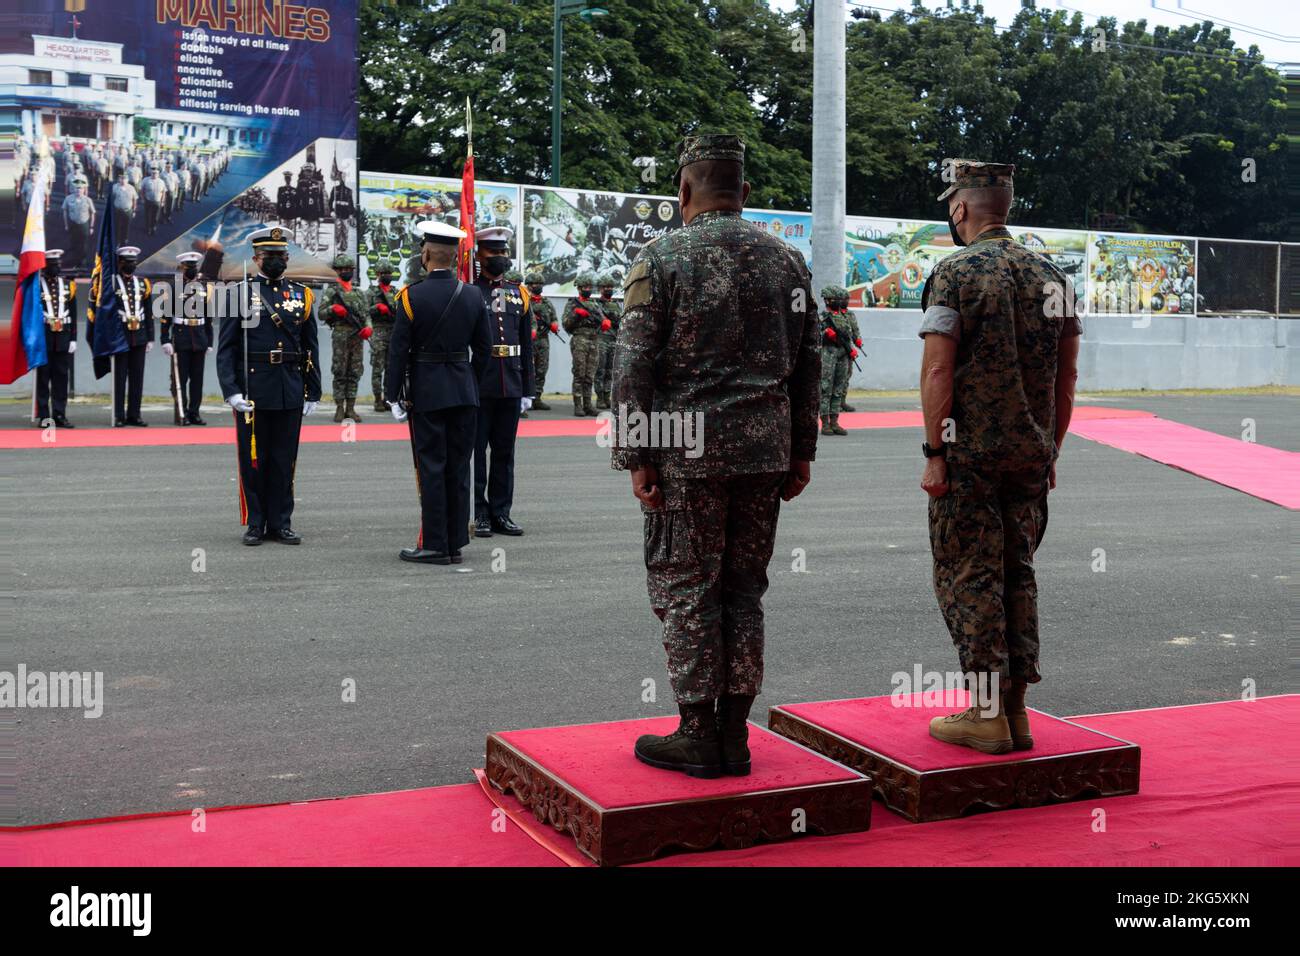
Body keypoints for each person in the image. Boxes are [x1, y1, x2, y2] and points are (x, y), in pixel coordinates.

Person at [612, 134, 821, 778]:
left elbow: (633, 365)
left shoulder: (661, 258)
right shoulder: (788, 261)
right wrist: (802, 451)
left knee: (687, 587)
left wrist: (637, 454)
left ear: (684, 191)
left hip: (686, 453)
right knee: (743, 589)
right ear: (745, 193)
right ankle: (736, 734)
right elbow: (810, 363)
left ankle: (699, 732)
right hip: (763, 453)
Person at [919, 159, 1081, 753]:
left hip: (970, 457)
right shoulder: (1054, 276)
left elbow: (938, 366)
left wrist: (935, 450)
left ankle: (985, 714)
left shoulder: (954, 273)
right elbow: (1067, 378)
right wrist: (1051, 448)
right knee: (1018, 571)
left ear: (960, 208)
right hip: (1030, 455)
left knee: (970, 575)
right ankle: (1015, 713)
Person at [386, 221, 490, 565]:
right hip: (464, 391)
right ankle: (456, 542)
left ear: (426, 254)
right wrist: (469, 381)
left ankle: (434, 544)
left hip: (427, 391)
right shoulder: (474, 295)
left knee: (432, 466)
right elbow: (485, 350)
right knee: (459, 467)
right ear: (455, 255)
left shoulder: (410, 296)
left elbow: (398, 351)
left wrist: (393, 394)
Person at [216, 227, 322, 546]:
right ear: (256, 259)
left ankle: (280, 522)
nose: (275, 261)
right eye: (269, 256)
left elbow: (310, 345)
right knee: (254, 459)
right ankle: (255, 522)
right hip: (253, 389)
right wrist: (232, 390)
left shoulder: (302, 294)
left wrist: (312, 389)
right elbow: (227, 348)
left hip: (289, 386)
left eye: (280, 256)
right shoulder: (238, 293)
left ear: (288, 258)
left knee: (284, 459)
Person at [471, 226, 533, 537]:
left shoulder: (519, 293)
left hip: (512, 380)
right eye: (492, 252)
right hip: (480, 383)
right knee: (477, 452)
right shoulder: (469, 291)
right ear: (478, 255)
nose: (499, 257)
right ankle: (479, 513)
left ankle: (501, 512)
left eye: (503, 252)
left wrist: (528, 389)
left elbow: (527, 343)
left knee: (505, 452)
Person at [160, 251, 215, 426]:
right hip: (181, 337)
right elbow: (165, 317)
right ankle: (181, 413)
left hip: (199, 337)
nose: (191, 270)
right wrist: (165, 339)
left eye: (194, 267)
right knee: (179, 379)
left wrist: (210, 341)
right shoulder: (173, 288)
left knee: (197, 380)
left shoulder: (205, 288)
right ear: (181, 268)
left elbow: (209, 319)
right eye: (187, 267)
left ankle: (194, 412)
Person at [320, 253, 370, 422]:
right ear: (337, 271)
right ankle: (340, 408)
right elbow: (321, 313)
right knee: (340, 371)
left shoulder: (358, 293)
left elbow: (366, 315)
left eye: (349, 269)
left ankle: (351, 408)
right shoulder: (332, 291)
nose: (346, 272)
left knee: (355, 372)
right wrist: (333, 308)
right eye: (343, 269)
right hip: (340, 334)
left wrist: (368, 328)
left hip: (357, 336)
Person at [107, 246, 153, 427]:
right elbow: (107, 313)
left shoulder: (143, 284)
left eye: (134, 263)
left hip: (139, 335)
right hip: (120, 336)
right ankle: (118, 415)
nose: (131, 266)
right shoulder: (111, 283)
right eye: (128, 263)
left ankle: (134, 414)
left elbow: (148, 311)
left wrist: (150, 337)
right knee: (119, 377)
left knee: (137, 377)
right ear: (120, 263)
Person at [34, 250, 77, 429]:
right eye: (53, 265)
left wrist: (73, 338)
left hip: (63, 339)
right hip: (44, 339)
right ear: (45, 267)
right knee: (43, 380)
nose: (57, 267)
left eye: (58, 264)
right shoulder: (36, 286)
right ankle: (44, 416)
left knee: (61, 379)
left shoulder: (69, 286)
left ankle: (60, 414)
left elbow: (73, 314)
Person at [561, 270, 603, 416]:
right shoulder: (573, 304)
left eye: (589, 287)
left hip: (594, 340)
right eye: (584, 287)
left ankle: (588, 405)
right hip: (579, 340)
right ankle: (578, 405)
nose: (587, 290)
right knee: (579, 373)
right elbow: (566, 324)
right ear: (579, 288)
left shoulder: (595, 304)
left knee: (590, 374)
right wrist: (576, 315)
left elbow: (601, 321)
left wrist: (603, 324)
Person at [817, 284, 856, 436]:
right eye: (834, 299)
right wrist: (826, 333)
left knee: (838, 388)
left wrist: (851, 349)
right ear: (827, 301)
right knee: (826, 388)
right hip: (828, 354)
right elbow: (815, 335)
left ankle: (835, 421)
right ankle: (825, 423)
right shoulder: (822, 317)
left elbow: (849, 335)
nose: (838, 302)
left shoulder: (844, 316)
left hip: (842, 354)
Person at [367, 257, 400, 412]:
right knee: (377, 369)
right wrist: (377, 308)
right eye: (383, 273)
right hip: (378, 333)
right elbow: (364, 311)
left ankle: (388, 398)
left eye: (388, 272)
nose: (386, 275)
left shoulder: (397, 293)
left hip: (393, 332)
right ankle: (377, 400)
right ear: (378, 274)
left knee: (391, 368)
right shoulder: (372, 292)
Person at [525, 270, 557, 410]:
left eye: (540, 284)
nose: (538, 286)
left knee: (541, 370)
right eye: (535, 284)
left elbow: (553, 317)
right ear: (529, 285)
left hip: (543, 340)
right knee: (528, 370)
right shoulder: (525, 300)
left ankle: (537, 398)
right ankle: (527, 399)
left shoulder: (547, 302)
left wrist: (555, 324)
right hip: (528, 340)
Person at [593, 272, 622, 409]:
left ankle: (607, 396)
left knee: (611, 371)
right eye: (605, 287)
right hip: (601, 340)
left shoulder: (616, 305)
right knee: (600, 370)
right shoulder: (596, 305)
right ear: (600, 289)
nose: (608, 289)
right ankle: (599, 398)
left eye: (610, 287)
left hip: (614, 340)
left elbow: (620, 320)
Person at [60, 176, 95, 269]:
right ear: (74, 189)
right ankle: (74, 262)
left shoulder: (88, 200)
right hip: (73, 224)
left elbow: (92, 213)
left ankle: (82, 263)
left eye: (80, 188)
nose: (78, 190)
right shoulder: (68, 198)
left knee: (84, 244)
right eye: (76, 188)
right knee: (74, 243)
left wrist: (91, 227)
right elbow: (64, 211)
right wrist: (66, 225)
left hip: (84, 224)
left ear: (84, 189)